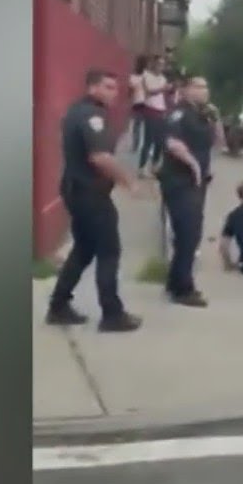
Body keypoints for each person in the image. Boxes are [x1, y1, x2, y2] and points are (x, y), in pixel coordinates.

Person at [47, 69, 144, 332]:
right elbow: (99, 156)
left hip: (77, 190)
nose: (114, 93)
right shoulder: (92, 115)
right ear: (93, 88)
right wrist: (129, 181)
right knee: (109, 251)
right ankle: (112, 314)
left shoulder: (77, 111)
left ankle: (58, 305)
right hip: (89, 193)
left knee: (84, 249)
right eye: (108, 87)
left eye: (116, 87)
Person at [158, 75, 217, 307]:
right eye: (199, 86)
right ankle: (183, 288)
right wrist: (193, 166)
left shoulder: (203, 115)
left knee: (191, 233)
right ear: (185, 90)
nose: (204, 91)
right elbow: (173, 144)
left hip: (196, 182)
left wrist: (215, 120)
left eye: (206, 86)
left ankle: (175, 281)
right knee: (187, 232)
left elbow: (214, 143)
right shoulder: (179, 113)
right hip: (180, 180)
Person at [137, 54, 169, 174]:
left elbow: (164, 96)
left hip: (161, 111)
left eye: (163, 64)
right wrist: (163, 89)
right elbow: (149, 91)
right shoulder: (146, 75)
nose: (161, 67)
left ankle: (154, 166)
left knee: (160, 141)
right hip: (150, 110)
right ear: (154, 64)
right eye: (159, 64)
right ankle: (142, 167)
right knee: (148, 140)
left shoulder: (163, 78)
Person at [127, 55, 149, 153]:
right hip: (144, 102)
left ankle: (135, 145)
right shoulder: (145, 75)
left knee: (137, 125)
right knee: (140, 125)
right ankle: (138, 144)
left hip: (136, 102)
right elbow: (147, 89)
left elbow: (130, 92)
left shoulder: (132, 76)